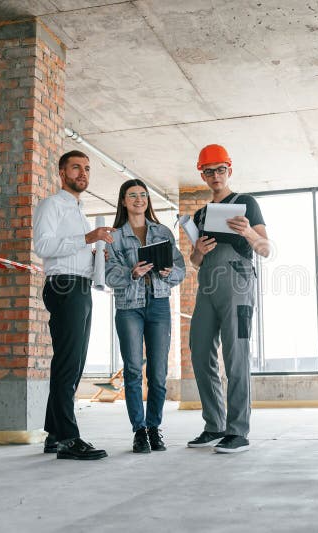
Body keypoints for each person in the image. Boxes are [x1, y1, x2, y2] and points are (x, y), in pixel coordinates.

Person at [186, 144, 269, 454]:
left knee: (236, 355)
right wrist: (198, 252)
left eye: (221, 169)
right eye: (209, 171)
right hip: (207, 286)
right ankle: (215, 425)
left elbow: (265, 249)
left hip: (238, 282)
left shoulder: (246, 203)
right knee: (199, 351)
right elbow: (194, 261)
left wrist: (247, 231)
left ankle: (238, 431)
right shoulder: (201, 214)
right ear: (203, 175)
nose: (215, 175)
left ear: (229, 171)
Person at [33, 150, 116, 460]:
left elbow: (74, 248)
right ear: (62, 172)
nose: (83, 173)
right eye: (77, 167)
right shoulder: (52, 205)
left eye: (87, 169)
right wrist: (87, 238)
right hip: (64, 286)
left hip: (81, 285)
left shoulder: (80, 212)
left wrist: (96, 256)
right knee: (68, 364)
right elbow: (42, 246)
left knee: (73, 363)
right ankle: (69, 438)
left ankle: (54, 434)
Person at [106, 179, 186, 453]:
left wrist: (168, 273)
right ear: (123, 201)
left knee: (158, 372)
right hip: (129, 306)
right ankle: (139, 431)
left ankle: (154, 428)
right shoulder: (115, 236)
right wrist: (132, 273)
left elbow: (180, 269)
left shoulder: (162, 231)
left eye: (143, 195)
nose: (139, 199)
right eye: (132, 195)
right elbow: (108, 274)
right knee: (131, 370)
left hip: (160, 304)